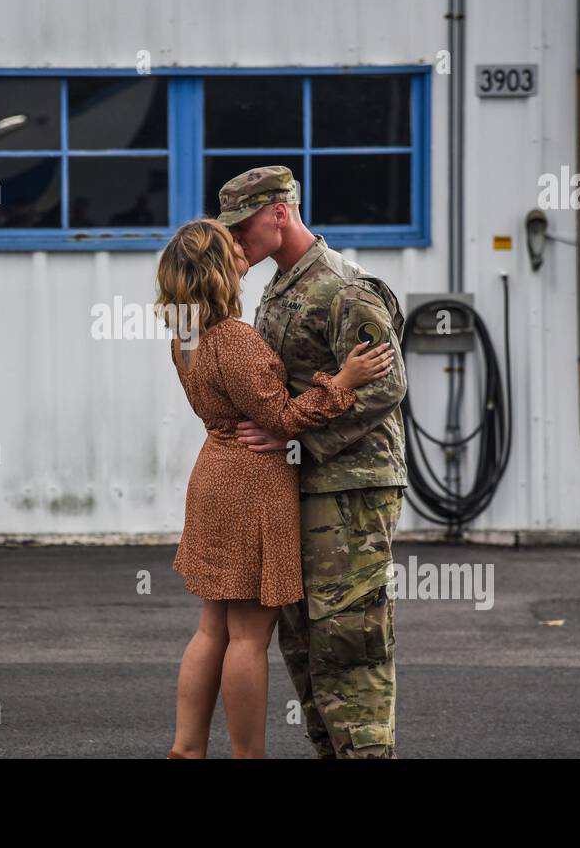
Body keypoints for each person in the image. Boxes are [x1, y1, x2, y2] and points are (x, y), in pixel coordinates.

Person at [154, 218, 394, 759]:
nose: (242, 248)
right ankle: (247, 755)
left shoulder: (186, 337)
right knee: (247, 637)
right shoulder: (234, 340)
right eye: (230, 245)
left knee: (212, 627)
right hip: (252, 484)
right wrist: (343, 383)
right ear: (218, 268)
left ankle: (187, 747)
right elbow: (281, 417)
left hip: (215, 474)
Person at [217, 165, 408, 759]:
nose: (237, 240)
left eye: (244, 226)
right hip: (301, 485)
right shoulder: (280, 285)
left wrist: (300, 440)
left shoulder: (344, 287)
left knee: (348, 641)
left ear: (280, 213)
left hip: (348, 487)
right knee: (304, 645)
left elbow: (386, 386)